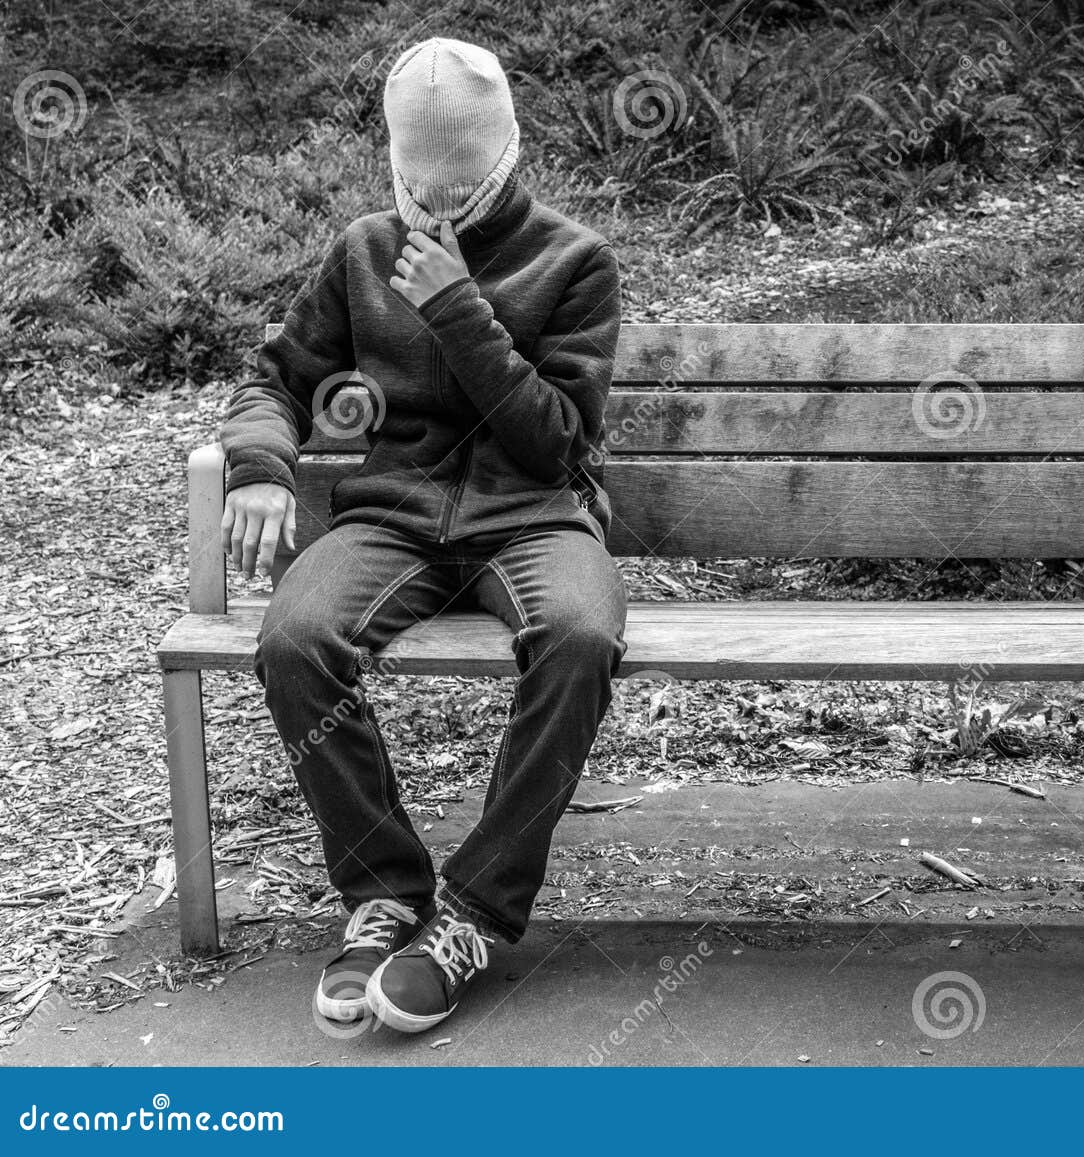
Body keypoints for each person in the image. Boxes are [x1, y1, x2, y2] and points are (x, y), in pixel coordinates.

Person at [217, 36, 626, 1033]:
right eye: (415, 187)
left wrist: (456, 307)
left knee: (577, 638)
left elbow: (553, 441)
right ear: (393, 163)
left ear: (507, 157)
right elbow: (274, 379)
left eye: (462, 190)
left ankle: (478, 911)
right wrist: (263, 467)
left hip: (532, 514)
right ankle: (384, 890)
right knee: (295, 637)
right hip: (393, 518)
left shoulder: (574, 261)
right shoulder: (360, 250)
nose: (435, 211)